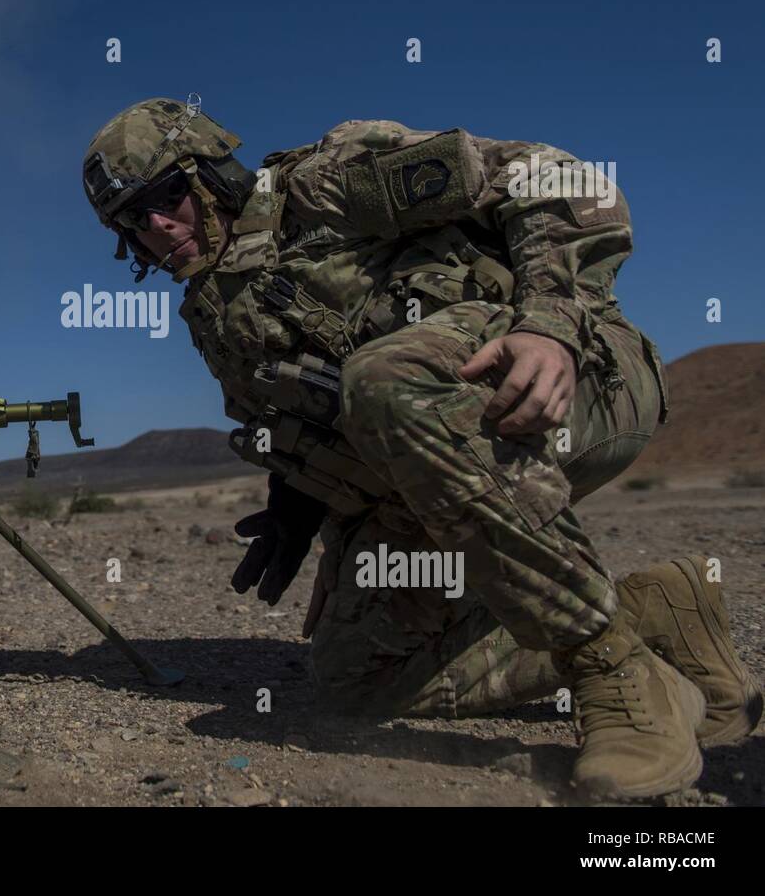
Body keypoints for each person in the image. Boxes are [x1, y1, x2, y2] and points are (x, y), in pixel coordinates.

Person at [82, 99, 761, 799]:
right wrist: (297, 507)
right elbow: (306, 412)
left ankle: (611, 668)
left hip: (578, 382)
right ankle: (653, 615)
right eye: (132, 220)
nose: (158, 226)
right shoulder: (214, 313)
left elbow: (557, 179)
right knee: (357, 683)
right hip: (445, 461)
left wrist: (550, 325)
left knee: (384, 377)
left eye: (167, 196)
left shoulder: (326, 186)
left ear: (212, 173)